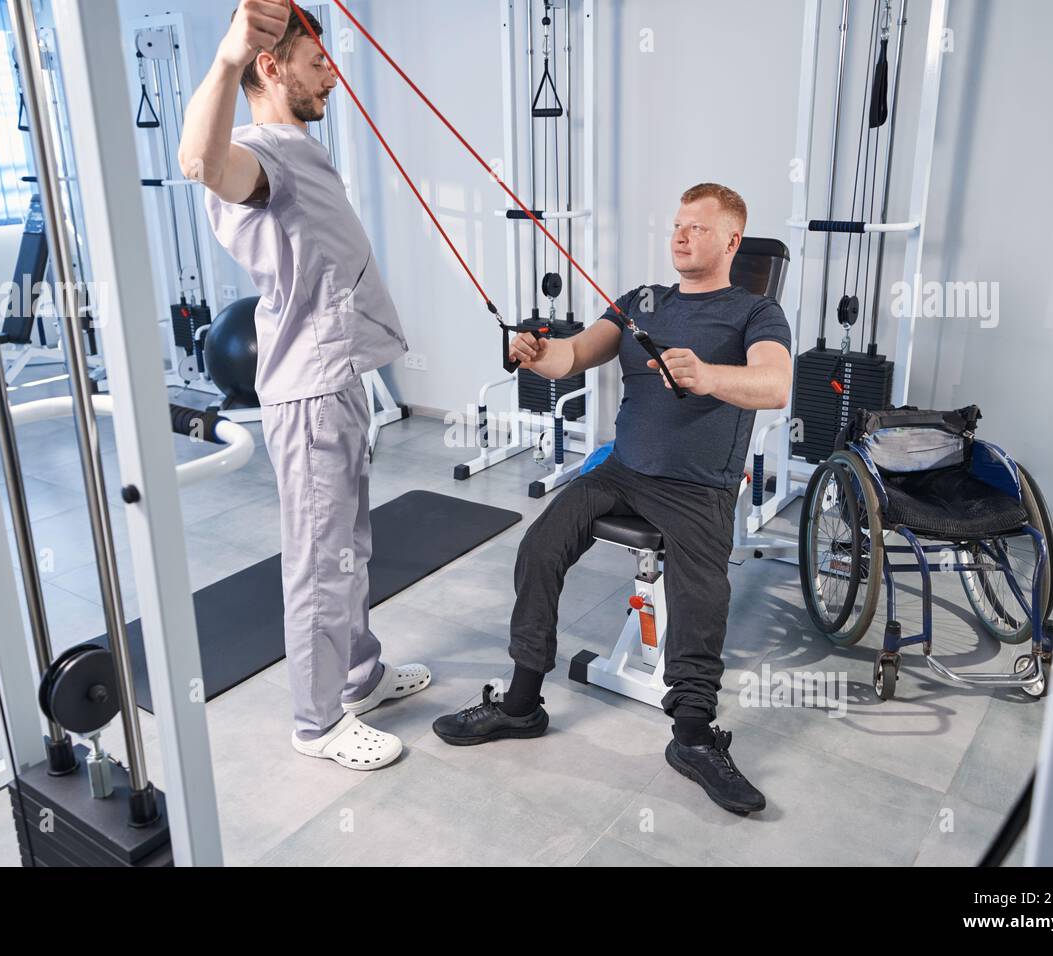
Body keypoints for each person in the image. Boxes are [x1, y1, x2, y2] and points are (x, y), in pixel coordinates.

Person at [432, 183, 793, 814]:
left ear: (733, 241)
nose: (682, 236)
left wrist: (708, 376)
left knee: (700, 596)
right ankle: (520, 704)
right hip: (623, 471)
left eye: (699, 229)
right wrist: (536, 351)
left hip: (697, 489)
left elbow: (776, 383)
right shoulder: (640, 302)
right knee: (540, 546)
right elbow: (572, 356)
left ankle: (692, 737)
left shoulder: (755, 313)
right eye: (678, 225)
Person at [181, 0, 429, 771]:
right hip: (311, 391)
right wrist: (222, 59)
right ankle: (317, 724)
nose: (331, 70)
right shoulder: (260, 152)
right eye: (316, 59)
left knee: (349, 548)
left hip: (340, 378)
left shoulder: (298, 148)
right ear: (270, 66)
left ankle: (358, 676)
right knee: (320, 561)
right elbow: (202, 164)